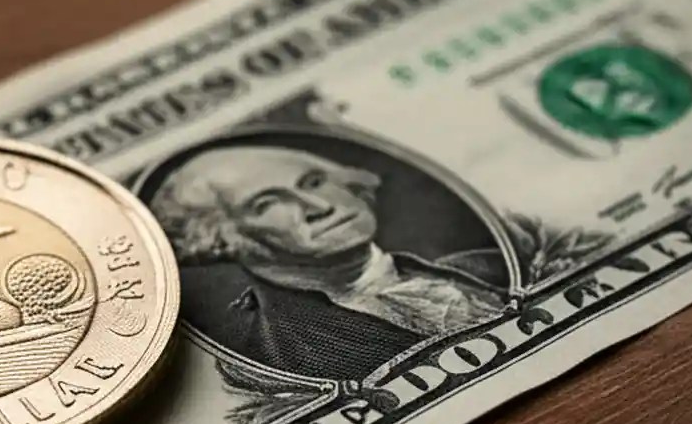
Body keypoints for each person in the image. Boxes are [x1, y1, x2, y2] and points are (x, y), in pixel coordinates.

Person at [149, 145, 606, 381]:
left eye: (314, 180)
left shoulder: (486, 266)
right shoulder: (280, 352)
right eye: (268, 203)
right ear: (220, 240)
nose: (316, 205)